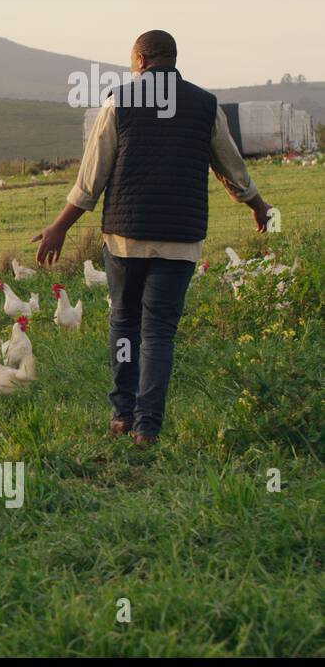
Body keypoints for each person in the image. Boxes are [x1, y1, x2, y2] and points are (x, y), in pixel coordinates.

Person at [31, 30, 272, 447]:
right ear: (172, 59)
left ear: (140, 60)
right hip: (180, 241)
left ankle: (123, 415)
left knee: (125, 324)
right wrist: (258, 206)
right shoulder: (205, 105)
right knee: (159, 333)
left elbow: (91, 180)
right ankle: (148, 428)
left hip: (126, 240)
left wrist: (60, 227)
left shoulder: (118, 103)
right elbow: (232, 169)